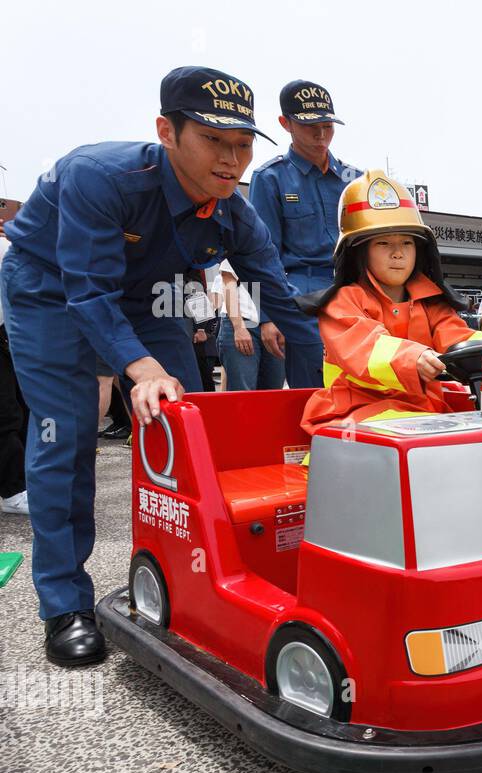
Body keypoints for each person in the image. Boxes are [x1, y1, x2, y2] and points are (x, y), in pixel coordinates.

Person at [1, 66, 317, 666]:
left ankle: (191, 576)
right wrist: (139, 367)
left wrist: (334, 390)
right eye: (214, 141)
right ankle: (64, 602)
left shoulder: (235, 211)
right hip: (52, 291)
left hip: (149, 297)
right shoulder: (101, 176)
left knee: (189, 420)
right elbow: (87, 293)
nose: (231, 161)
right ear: (166, 132)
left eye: (243, 145)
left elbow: (283, 302)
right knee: (66, 434)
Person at [299, 173, 482, 434]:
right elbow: (365, 346)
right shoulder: (341, 302)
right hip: (353, 413)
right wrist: (414, 357)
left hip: (421, 412)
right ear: (359, 251)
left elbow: (455, 334)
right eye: (384, 243)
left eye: (407, 242)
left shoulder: (431, 301)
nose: (398, 252)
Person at [249, 80, 360, 389]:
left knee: (365, 382)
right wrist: (268, 317)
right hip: (301, 299)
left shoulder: (355, 180)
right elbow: (260, 255)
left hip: (355, 296)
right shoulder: (270, 178)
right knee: (314, 387)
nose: (320, 134)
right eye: (310, 125)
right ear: (286, 124)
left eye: (327, 125)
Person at [214, 259, 285, 391]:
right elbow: (228, 282)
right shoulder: (244, 242)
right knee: (242, 394)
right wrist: (239, 327)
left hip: (277, 326)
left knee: (273, 394)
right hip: (243, 322)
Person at [0, 232, 28, 515]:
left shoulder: (6, 246)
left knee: (16, 411)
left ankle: (16, 486)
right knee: (7, 415)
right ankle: (13, 491)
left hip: (8, 334)